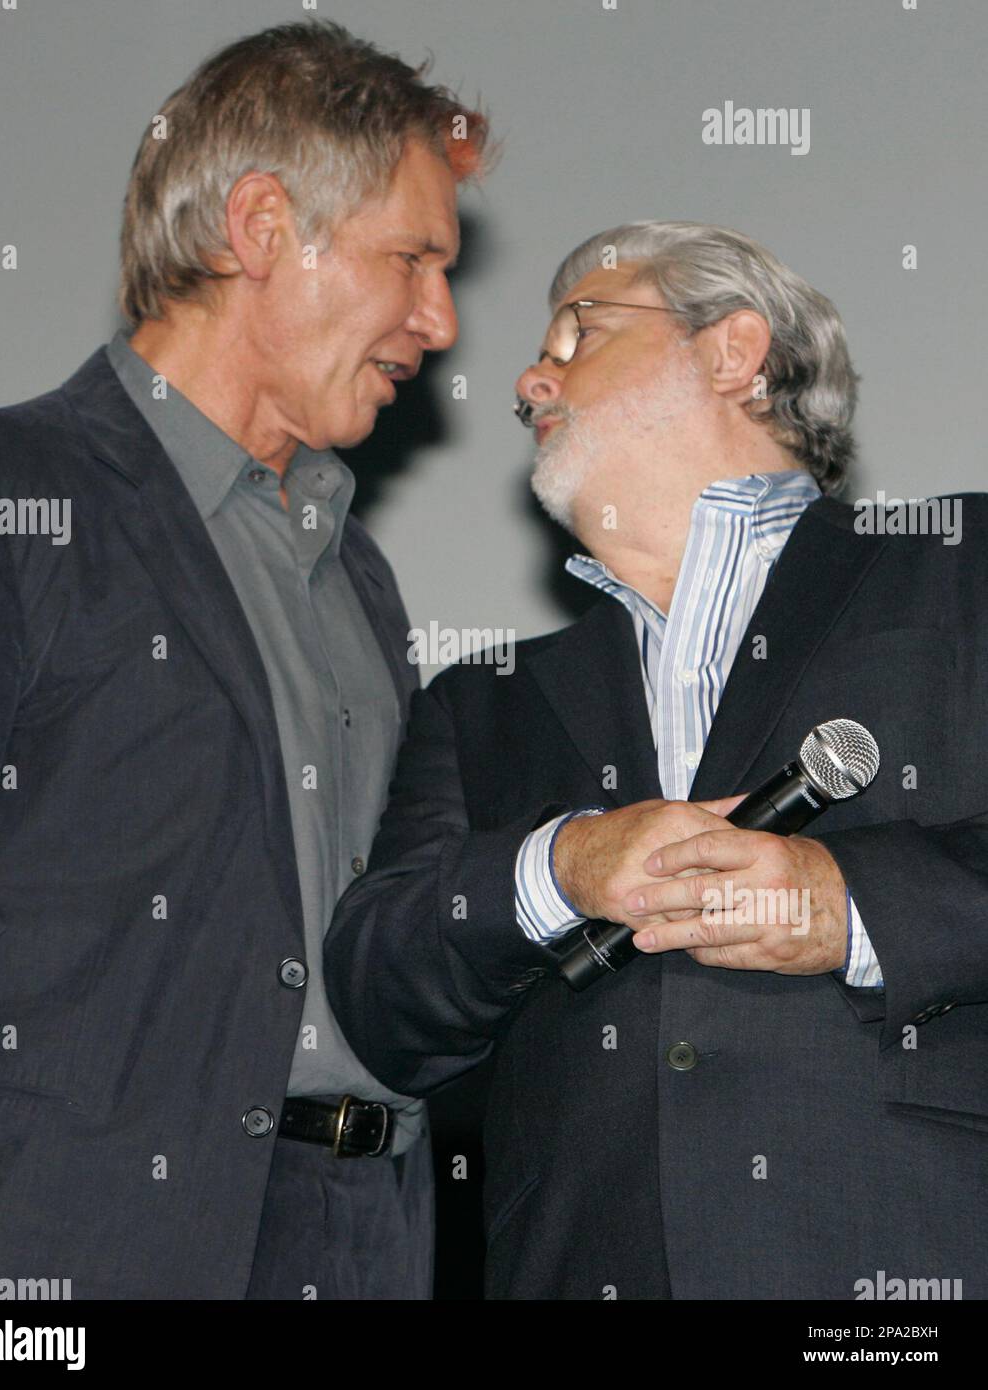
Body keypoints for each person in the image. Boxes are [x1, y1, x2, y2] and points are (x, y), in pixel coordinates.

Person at [325, 220, 988, 1300]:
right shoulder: (479, 702)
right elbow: (378, 997)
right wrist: (561, 868)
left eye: (578, 329)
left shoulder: (962, 567)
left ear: (732, 352)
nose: (530, 379)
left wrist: (850, 899)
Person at [0, 20, 486, 1299]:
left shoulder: (354, 571)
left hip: (357, 1244)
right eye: (412, 258)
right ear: (258, 226)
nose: (441, 320)